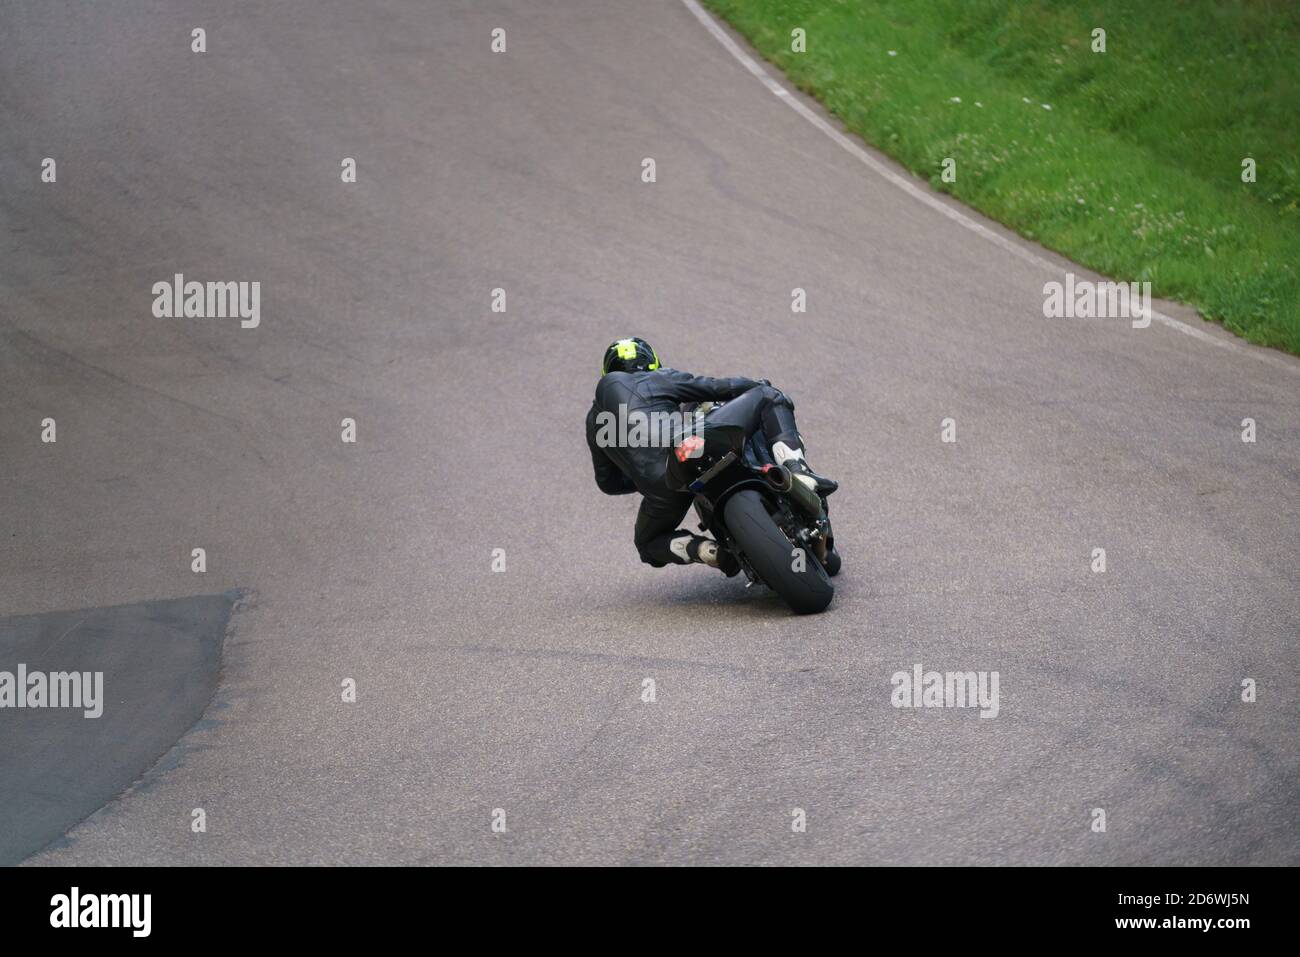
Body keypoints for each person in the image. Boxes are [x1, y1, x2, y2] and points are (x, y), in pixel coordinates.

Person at [586, 337, 836, 574]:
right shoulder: (656, 377)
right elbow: (718, 387)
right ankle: (798, 471)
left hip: (661, 485)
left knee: (648, 543)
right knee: (769, 397)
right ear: (653, 363)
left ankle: (706, 551)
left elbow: (608, 483)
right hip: (690, 446)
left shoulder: (594, 421)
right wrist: (757, 384)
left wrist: (642, 473)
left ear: (606, 370)